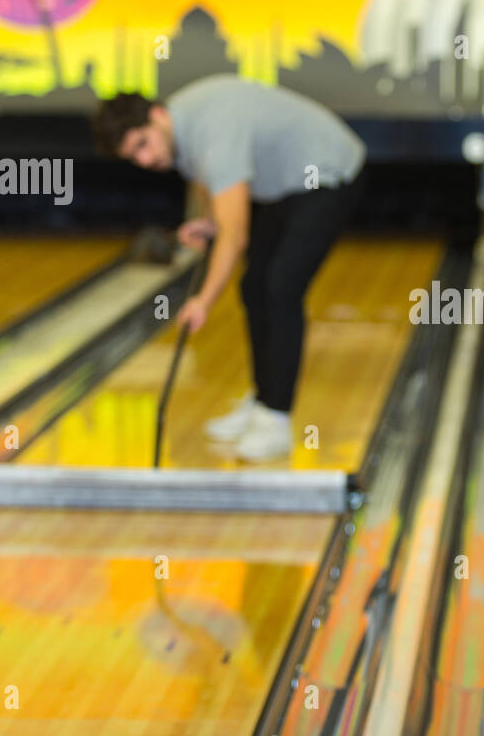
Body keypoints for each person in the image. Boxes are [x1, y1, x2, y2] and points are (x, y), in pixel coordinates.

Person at [92, 74, 367, 461]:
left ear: (156, 115)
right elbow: (208, 180)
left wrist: (202, 300)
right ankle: (262, 399)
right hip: (284, 185)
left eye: (143, 144)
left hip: (327, 173)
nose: (146, 160)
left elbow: (235, 237)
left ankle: (276, 418)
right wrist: (209, 219)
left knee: (281, 287)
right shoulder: (179, 124)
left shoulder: (211, 131)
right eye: (133, 156)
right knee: (254, 286)